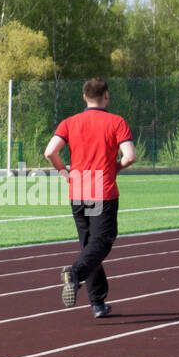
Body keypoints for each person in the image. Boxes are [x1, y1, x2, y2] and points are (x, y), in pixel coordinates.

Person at [44, 76, 136, 319]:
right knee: (103, 241)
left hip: (78, 191)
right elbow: (130, 156)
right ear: (107, 95)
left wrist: (65, 172)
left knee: (89, 245)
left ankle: (97, 301)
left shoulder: (69, 122)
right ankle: (74, 274)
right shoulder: (117, 122)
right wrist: (115, 167)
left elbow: (49, 152)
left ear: (84, 97)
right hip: (103, 191)